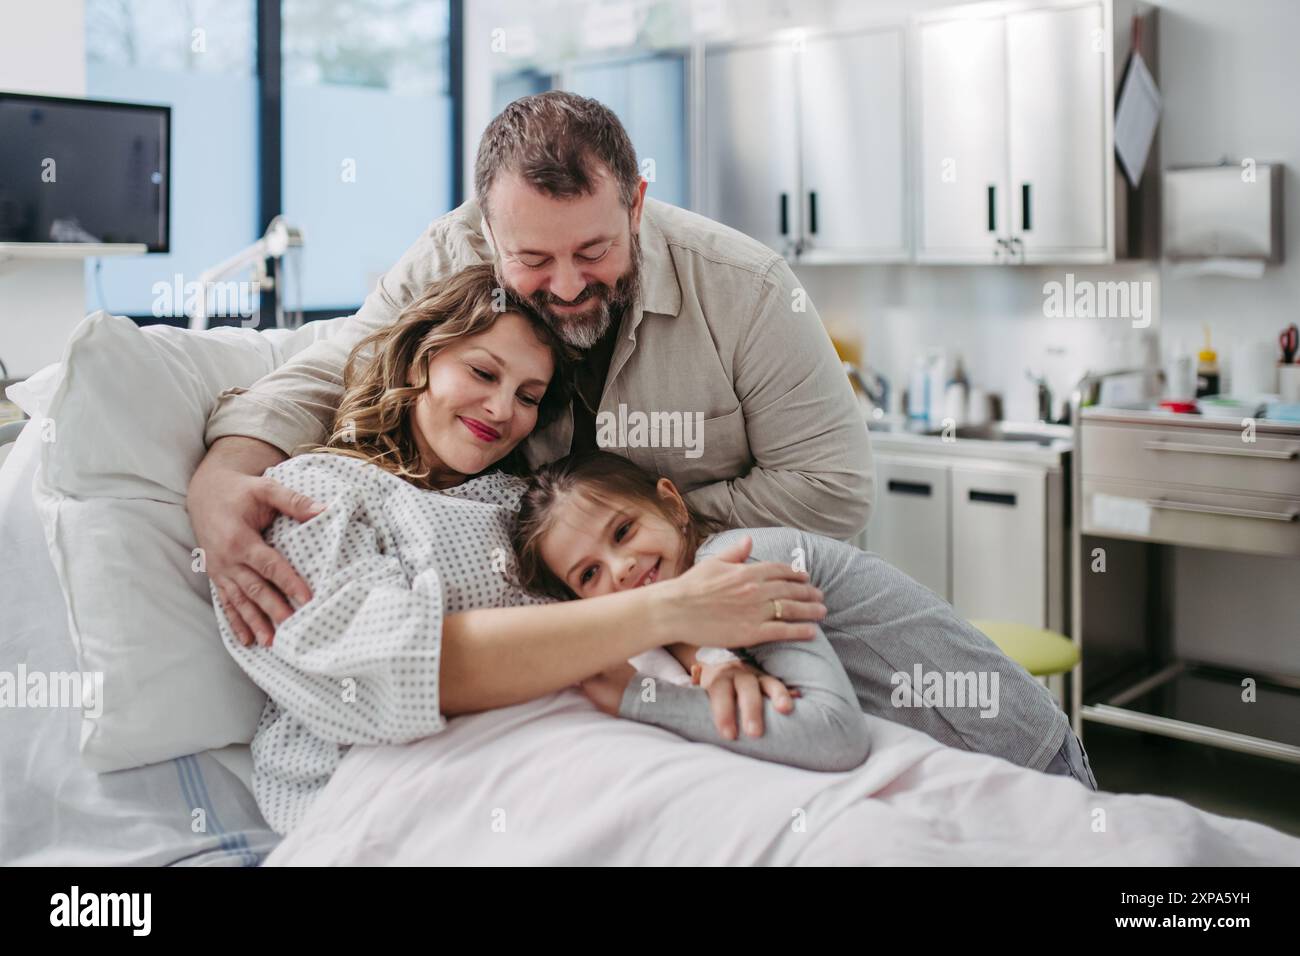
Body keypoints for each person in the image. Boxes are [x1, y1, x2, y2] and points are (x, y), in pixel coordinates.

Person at [188, 90, 872, 739]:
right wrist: (223, 473)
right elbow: (340, 368)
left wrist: (632, 539)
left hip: (758, 629)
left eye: (594, 251)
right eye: (534, 260)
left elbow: (832, 487)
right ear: (488, 233)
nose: (569, 285)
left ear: (636, 206)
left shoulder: (746, 289)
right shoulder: (448, 265)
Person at [212, 266, 827, 834]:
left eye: (529, 396)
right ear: (419, 360)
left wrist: (710, 657)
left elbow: (630, 585)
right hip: (406, 779)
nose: (503, 409)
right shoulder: (314, 494)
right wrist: (677, 612)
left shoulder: (524, 504)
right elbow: (405, 668)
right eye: (483, 373)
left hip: (587, 739)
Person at [511, 451, 1099, 790]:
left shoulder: (742, 562)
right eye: (588, 575)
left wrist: (637, 697)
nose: (621, 568)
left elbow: (834, 736)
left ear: (671, 502)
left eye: (623, 532)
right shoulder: (689, 611)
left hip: (1020, 754)